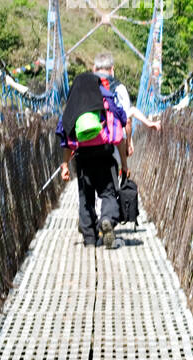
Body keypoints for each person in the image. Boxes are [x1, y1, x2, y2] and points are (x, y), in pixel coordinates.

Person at [58, 62, 128, 248]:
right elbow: (119, 133)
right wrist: (125, 164)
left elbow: (65, 135)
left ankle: (89, 238)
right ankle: (106, 219)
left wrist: (65, 165)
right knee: (108, 193)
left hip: (82, 157)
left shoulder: (74, 103)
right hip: (104, 154)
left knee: (85, 197)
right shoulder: (105, 98)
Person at [90, 52, 162, 175]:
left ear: (94, 68)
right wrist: (129, 144)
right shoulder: (119, 89)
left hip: (88, 143)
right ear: (112, 69)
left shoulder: (85, 86)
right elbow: (128, 118)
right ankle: (123, 168)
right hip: (112, 146)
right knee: (110, 188)